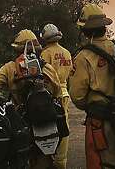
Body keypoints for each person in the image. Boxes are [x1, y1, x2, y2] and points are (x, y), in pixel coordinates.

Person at [69, 4, 115, 169]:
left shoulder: (83, 57)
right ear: (104, 27)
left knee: (103, 163)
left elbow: (78, 96)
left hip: (101, 123)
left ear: (85, 31)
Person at [0, 29, 62, 169]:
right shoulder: (47, 68)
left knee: (21, 159)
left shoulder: (9, 68)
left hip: (20, 123)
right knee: (44, 159)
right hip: (45, 122)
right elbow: (57, 91)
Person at [39, 23, 73, 169]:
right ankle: (61, 162)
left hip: (51, 95)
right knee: (64, 128)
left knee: (49, 129)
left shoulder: (45, 53)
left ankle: (49, 160)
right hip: (65, 94)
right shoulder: (66, 52)